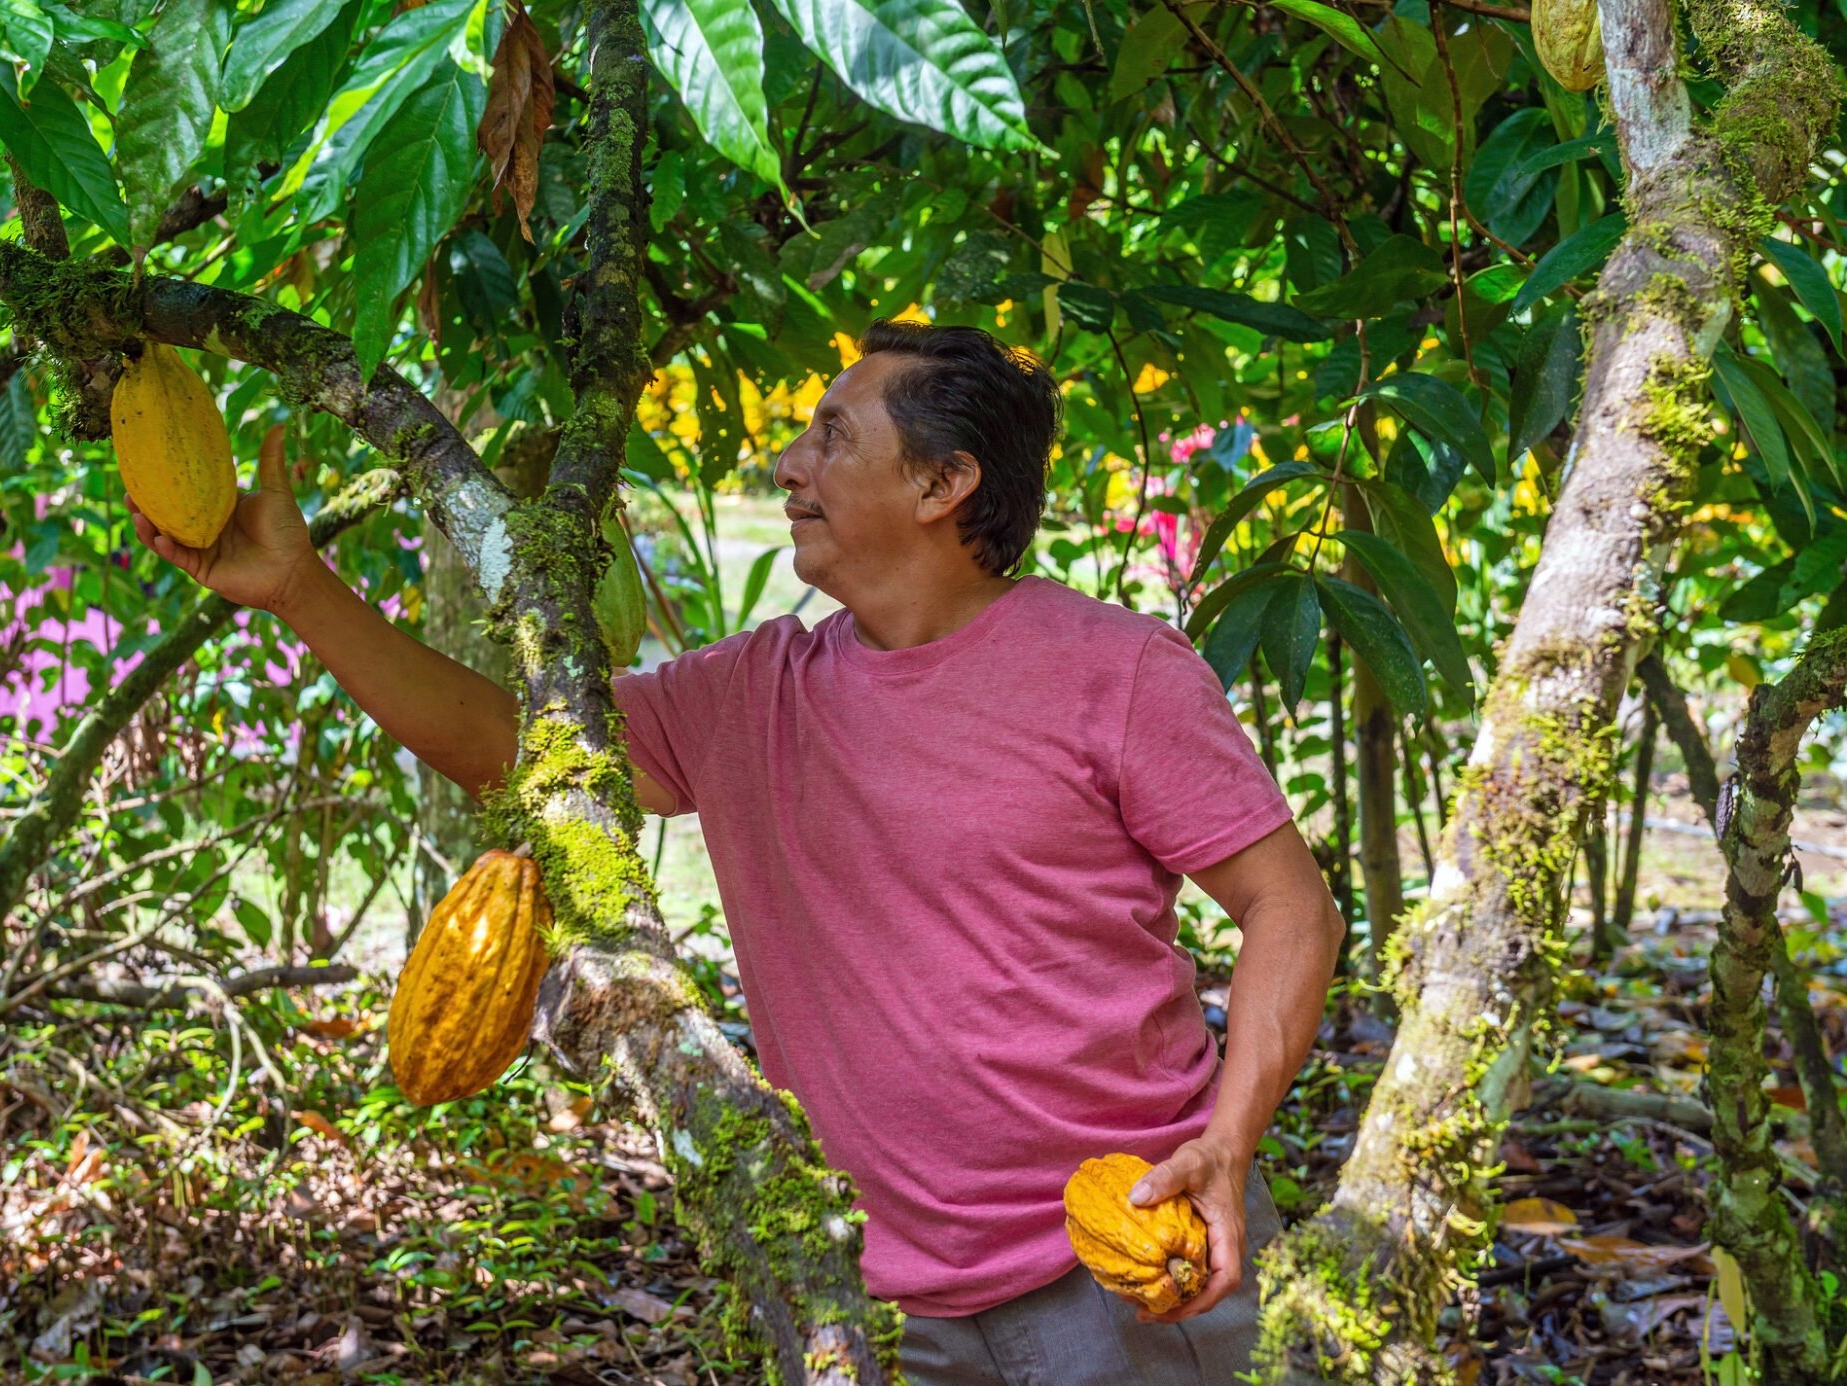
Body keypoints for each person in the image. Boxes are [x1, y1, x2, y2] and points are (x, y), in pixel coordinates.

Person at [127, 318, 1346, 1385]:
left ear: (944, 484)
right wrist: (299, 588)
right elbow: (515, 745)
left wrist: (1227, 1146)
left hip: (1137, 1273)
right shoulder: (755, 692)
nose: (789, 464)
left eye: (831, 438)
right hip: (888, 1308)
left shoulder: (1114, 671)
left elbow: (1290, 908)